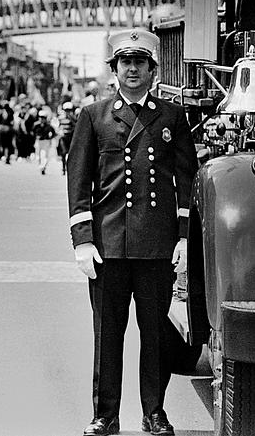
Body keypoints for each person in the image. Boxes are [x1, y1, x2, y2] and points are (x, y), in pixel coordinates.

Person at [67, 27, 197, 436]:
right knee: (107, 336)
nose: (133, 69)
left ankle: (154, 413)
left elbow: (185, 178)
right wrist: (83, 240)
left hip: (156, 245)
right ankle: (105, 415)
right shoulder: (93, 115)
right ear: (114, 70)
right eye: (126, 62)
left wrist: (181, 237)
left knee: (155, 336)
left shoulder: (172, 116)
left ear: (153, 69)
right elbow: (79, 181)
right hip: (107, 246)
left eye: (140, 62)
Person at [32, 108, 57, 175]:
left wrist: (50, 137)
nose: (41, 119)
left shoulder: (49, 126)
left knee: (44, 155)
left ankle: (43, 167)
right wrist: (36, 137)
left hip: (46, 142)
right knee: (38, 155)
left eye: (43, 118)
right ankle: (41, 166)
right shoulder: (36, 125)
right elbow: (33, 133)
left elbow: (53, 133)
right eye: (40, 117)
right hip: (38, 142)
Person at [56, 101, 77, 175]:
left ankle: (70, 167)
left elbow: (76, 127)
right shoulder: (60, 118)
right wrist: (59, 131)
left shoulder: (73, 118)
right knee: (63, 152)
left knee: (71, 153)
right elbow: (57, 126)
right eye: (66, 110)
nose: (68, 112)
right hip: (63, 137)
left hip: (71, 137)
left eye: (69, 110)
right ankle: (63, 168)